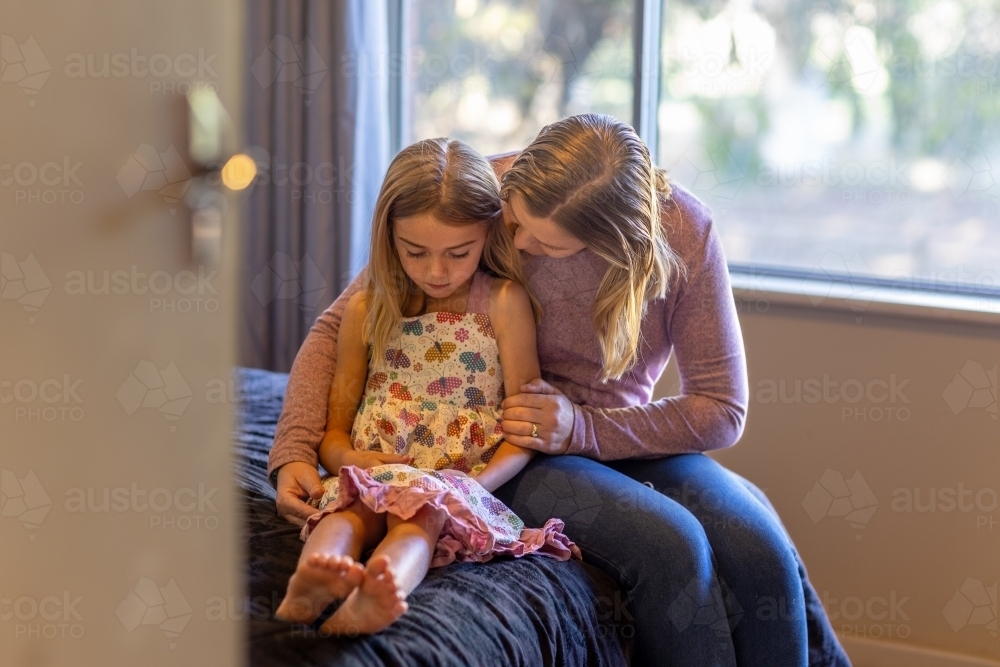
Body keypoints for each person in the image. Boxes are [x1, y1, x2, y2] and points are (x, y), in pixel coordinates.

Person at [269, 114, 811, 665]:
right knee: (671, 547)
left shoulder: (686, 234)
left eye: (546, 244)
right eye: (515, 222)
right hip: (508, 439)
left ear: (614, 241)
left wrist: (582, 427)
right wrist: (293, 446)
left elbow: (721, 408)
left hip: (613, 432)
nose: (518, 242)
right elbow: (340, 324)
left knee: (759, 551)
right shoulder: (487, 194)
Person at [274, 138, 579, 636]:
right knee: (346, 515)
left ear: (488, 234)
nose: (436, 271)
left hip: (450, 482)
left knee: (421, 522)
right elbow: (334, 433)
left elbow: (525, 425)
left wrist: (472, 488)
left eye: (459, 253)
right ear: (388, 238)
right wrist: (347, 462)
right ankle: (312, 582)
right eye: (414, 252)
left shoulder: (503, 301)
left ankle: (381, 589)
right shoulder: (365, 309)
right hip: (373, 472)